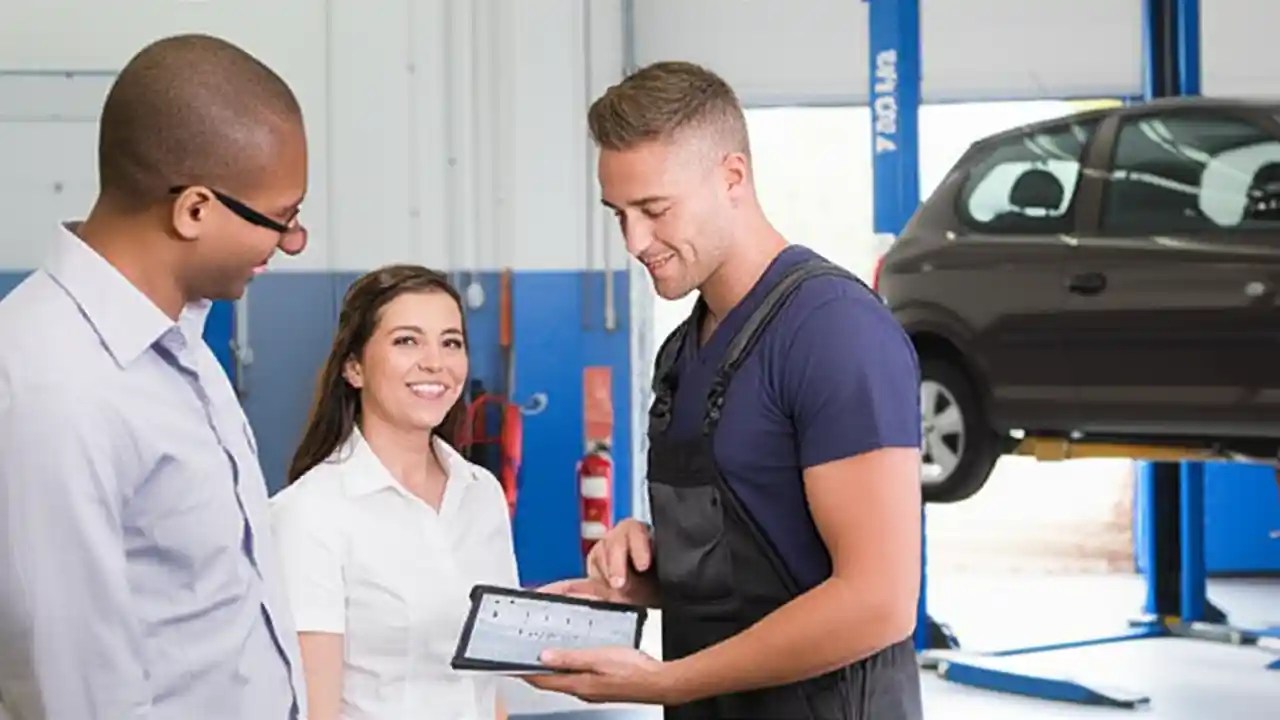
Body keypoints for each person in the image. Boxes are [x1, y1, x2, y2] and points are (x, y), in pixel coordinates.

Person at [528, 61, 926, 719]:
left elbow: (879, 600)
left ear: (732, 177)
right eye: (619, 214)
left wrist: (666, 682)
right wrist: (648, 571)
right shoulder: (683, 352)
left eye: (654, 210)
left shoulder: (833, 332)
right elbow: (763, 550)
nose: (634, 241)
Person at [0, 34, 310, 720]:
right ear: (194, 209)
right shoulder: (54, 386)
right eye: (282, 220)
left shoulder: (180, 347)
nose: (290, 243)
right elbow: (72, 690)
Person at [270, 264, 520, 720]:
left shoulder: (480, 494)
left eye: (451, 342)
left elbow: (491, 685)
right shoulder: (310, 513)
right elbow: (314, 710)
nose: (435, 362)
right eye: (407, 340)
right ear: (354, 367)